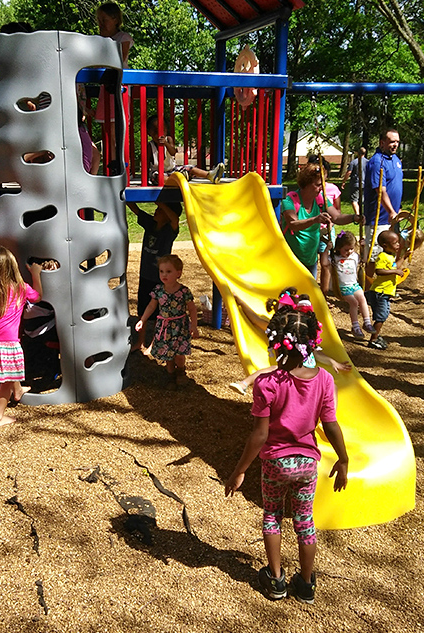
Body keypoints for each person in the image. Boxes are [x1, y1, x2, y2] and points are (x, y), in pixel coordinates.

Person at [224, 292, 348, 604]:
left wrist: (239, 471)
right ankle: (306, 583)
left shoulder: (268, 384)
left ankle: (276, 579)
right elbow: (330, 424)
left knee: (273, 515)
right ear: (312, 341)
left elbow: (259, 435)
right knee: (305, 520)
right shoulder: (324, 381)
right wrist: (343, 458)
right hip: (307, 463)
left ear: (275, 341)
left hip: (276, 464)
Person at [229, 289, 351, 394]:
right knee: (274, 369)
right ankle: (244, 383)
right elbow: (256, 320)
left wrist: (333, 362)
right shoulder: (280, 330)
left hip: (306, 373)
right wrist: (240, 301)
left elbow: (317, 352)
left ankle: (329, 417)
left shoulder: (305, 333)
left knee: (331, 386)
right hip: (291, 371)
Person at [0, 245, 44, 427]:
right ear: (12, 267)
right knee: (5, 382)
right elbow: (37, 297)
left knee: (10, 370)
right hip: (6, 343)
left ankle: (18, 391)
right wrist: (36, 273)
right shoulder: (20, 288)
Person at [135, 254, 199, 390]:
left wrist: (194, 326)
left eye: (168, 271)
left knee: (180, 353)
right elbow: (151, 306)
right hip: (164, 328)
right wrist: (142, 320)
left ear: (178, 273)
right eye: (161, 271)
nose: (164, 274)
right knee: (168, 354)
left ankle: (181, 371)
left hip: (180, 327)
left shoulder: (184, 291)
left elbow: (192, 309)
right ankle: (170, 375)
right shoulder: (158, 290)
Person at [280, 163, 353, 278]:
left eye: (323, 184)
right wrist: (315, 219)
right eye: (318, 184)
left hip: (311, 260)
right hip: (291, 260)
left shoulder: (320, 199)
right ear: (307, 183)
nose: (322, 188)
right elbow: (293, 224)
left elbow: (337, 217)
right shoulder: (290, 200)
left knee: (309, 294)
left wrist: (354, 217)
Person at [127, 200, 181, 350]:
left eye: (160, 210)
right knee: (142, 310)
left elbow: (175, 219)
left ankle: (153, 345)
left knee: (159, 313)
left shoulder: (169, 231)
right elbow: (134, 208)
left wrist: (160, 201)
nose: (156, 211)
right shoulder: (150, 223)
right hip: (145, 275)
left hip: (161, 279)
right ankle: (140, 342)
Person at [308, 156, 356, 295]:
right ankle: (310, 291)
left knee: (326, 263)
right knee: (312, 262)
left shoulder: (333, 189)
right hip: (312, 231)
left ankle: (324, 293)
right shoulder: (309, 191)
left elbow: (337, 210)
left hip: (327, 230)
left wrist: (334, 222)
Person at [94, 2, 133, 174]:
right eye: (99, 21)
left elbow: (118, 60)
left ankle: (122, 162)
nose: (101, 24)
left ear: (115, 19)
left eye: (104, 20)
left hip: (119, 87)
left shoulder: (123, 38)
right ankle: (111, 161)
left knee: (119, 125)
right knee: (107, 126)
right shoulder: (101, 41)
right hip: (106, 87)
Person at [145, 115, 224, 184]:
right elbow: (147, 163)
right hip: (159, 172)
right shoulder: (150, 146)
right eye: (155, 132)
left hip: (172, 169)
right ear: (149, 133)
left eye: (162, 131)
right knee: (159, 178)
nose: (159, 135)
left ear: (166, 131)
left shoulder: (168, 139)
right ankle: (179, 181)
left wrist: (165, 143)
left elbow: (173, 153)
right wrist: (145, 179)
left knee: (190, 168)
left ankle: (210, 175)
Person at [363, 129, 403, 256]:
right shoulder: (377, 162)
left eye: (397, 142)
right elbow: (380, 190)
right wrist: (391, 211)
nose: (395, 145)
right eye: (391, 142)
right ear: (382, 143)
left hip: (393, 219)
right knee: (375, 257)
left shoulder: (396, 160)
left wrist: (398, 209)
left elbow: (396, 187)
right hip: (378, 220)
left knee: (392, 257)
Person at [365, 229, 405, 350]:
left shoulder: (390, 256)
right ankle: (373, 339)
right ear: (385, 245)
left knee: (382, 315)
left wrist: (403, 257)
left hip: (385, 293)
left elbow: (395, 266)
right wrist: (395, 271)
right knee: (381, 316)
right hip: (380, 292)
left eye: (398, 242)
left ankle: (376, 335)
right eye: (395, 243)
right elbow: (379, 271)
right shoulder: (382, 256)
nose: (398, 244)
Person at [331, 231, 374, 339]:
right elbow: (325, 263)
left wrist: (363, 247)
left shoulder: (355, 256)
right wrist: (328, 249)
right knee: (354, 303)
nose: (349, 251)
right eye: (346, 250)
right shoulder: (334, 258)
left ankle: (367, 323)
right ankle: (355, 327)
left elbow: (364, 260)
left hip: (354, 285)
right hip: (342, 287)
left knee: (362, 299)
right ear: (339, 248)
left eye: (352, 248)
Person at [342, 147, 368, 215]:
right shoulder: (368, 162)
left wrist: (344, 181)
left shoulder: (354, 162)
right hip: (365, 184)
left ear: (358, 153)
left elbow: (349, 172)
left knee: (354, 200)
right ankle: (363, 214)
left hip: (355, 183)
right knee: (363, 200)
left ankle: (358, 214)